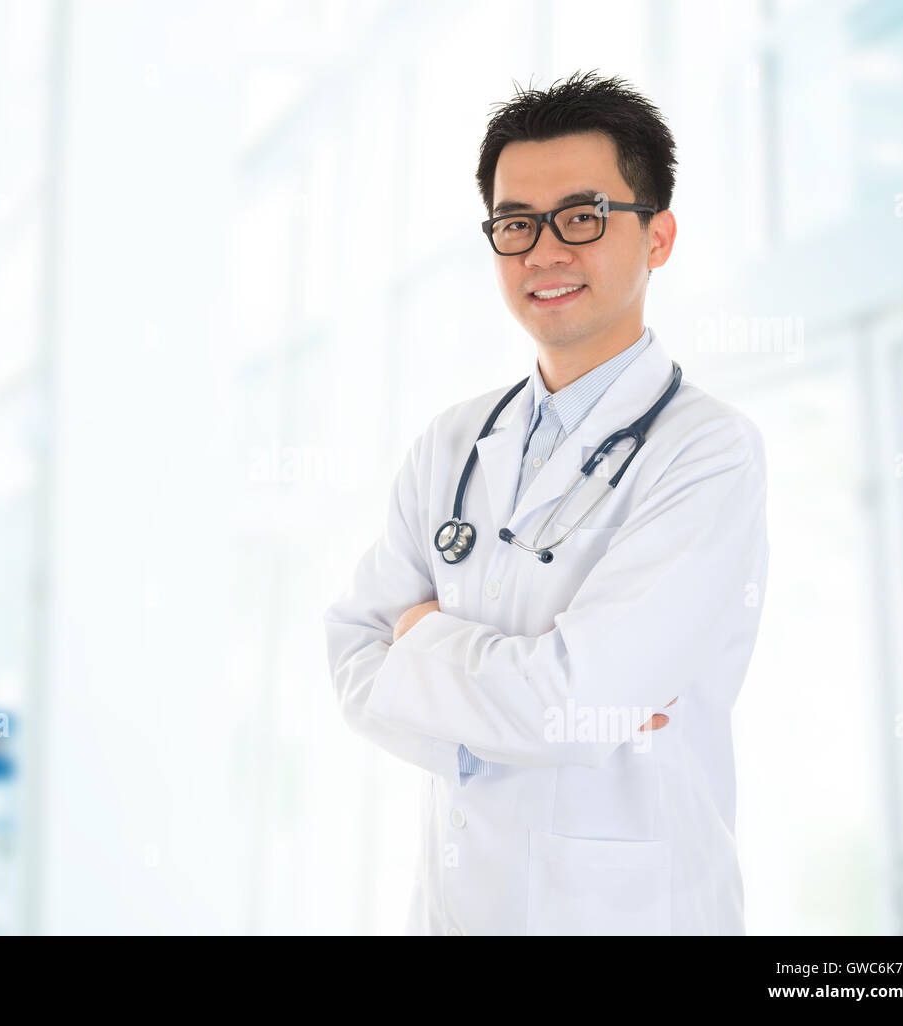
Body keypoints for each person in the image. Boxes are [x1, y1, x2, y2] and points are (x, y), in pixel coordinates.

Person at [322, 70, 769, 935]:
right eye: (515, 224)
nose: (544, 252)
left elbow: (570, 705)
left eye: (582, 216)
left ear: (659, 236)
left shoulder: (708, 452)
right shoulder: (449, 445)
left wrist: (423, 642)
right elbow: (350, 650)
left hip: (632, 912)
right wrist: (522, 706)